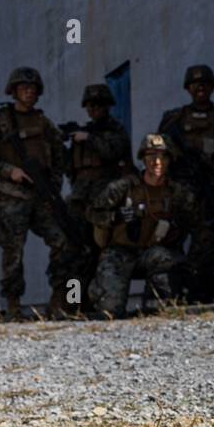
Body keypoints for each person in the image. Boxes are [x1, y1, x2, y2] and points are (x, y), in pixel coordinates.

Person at [0, 67, 76, 319]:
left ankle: (57, 301)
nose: (28, 93)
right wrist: (9, 171)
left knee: (63, 241)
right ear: (13, 91)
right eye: (23, 88)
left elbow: (59, 156)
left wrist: (53, 187)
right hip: (11, 196)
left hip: (40, 198)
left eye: (32, 89)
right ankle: (13, 307)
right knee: (13, 251)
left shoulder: (43, 123)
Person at [158, 65, 214, 302]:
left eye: (205, 84)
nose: (200, 89)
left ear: (213, 88)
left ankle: (196, 292)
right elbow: (159, 153)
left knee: (206, 243)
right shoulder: (173, 119)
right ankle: (167, 293)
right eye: (195, 85)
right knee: (166, 241)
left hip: (208, 193)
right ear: (188, 88)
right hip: (177, 195)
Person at [87, 133, 200, 318]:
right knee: (109, 314)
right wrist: (115, 216)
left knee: (167, 261)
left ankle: (154, 306)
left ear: (170, 159)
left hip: (153, 253)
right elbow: (92, 213)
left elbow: (195, 222)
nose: (157, 162)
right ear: (143, 159)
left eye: (163, 156)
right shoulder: (123, 187)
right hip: (120, 253)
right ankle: (99, 289)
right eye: (151, 156)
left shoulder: (177, 192)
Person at [65, 83, 135, 312]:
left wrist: (89, 139)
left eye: (99, 105)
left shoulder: (116, 131)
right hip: (80, 201)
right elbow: (70, 168)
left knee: (102, 251)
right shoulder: (81, 134)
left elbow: (113, 152)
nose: (94, 109)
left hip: (105, 202)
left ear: (108, 106)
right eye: (90, 105)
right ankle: (74, 303)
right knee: (76, 254)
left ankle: (101, 302)